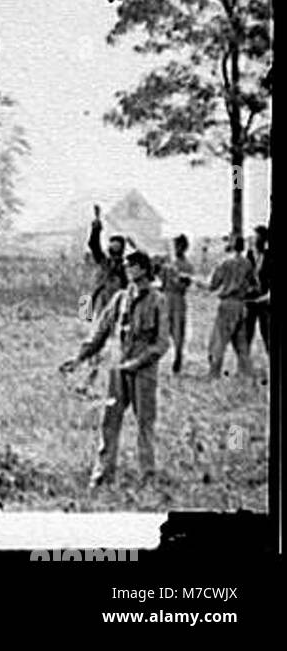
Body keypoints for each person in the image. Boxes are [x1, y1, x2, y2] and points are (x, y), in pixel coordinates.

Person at [60, 250, 167, 488]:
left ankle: (148, 477)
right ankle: (102, 475)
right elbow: (99, 333)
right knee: (109, 421)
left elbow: (161, 343)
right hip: (117, 370)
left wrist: (137, 363)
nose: (127, 269)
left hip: (144, 372)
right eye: (127, 266)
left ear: (142, 269)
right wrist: (78, 359)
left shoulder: (158, 300)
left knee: (145, 423)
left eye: (131, 265)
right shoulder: (120, 298)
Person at [207, 234, 256, 379]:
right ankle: (246, 374)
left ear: (232, 245)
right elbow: (254, 285)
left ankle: (214, 374)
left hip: (227, 304)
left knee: (219, 341)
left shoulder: (225, 262)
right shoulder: (248, 263)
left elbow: (213, 285)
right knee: (241, 343)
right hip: (241, 305)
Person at [156, 234, 194, 374]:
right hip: (166, 298)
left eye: (180, 245)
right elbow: (160, 282)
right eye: (176, 245)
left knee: (178, 331)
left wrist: (175, 276)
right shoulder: (168, 264)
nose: (177, 248)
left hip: (178, 299)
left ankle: (178, 357)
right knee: (162, 329)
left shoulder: (187, 265)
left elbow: (185, 285)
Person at [87, 206, 128, 318]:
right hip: (101, 298)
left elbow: (126, 286)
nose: (114, 248)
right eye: (113, 245)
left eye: (117, 246)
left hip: (117, 299)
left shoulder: (125, 266)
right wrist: (96, 227)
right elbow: (93, 244)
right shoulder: (103, 260)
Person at [245, 226, 270, 356]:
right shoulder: (248, 256)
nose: (255, 240)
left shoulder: (269, 256)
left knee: (267, 333)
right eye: (254, 237)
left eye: (257, 237)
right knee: (247, 334)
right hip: (250, 301)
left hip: (265, 302)